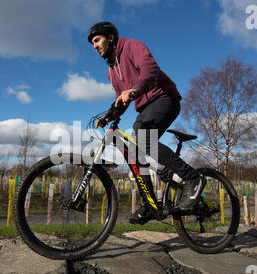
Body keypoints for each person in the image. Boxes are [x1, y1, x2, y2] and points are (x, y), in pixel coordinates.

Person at [88, 22, 206, 225]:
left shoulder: (132, 46)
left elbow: (150, 70)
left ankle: (192, 179)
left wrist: (136, 90)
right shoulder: (111, 71)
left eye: (97, 40)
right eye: (92, 43)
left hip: (165, 98)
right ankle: (150, 204)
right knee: (135, 151)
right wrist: (110, 114)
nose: (95, 46)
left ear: (110, 37)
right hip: (146, 107)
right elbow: (121, 99)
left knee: (142, 135)